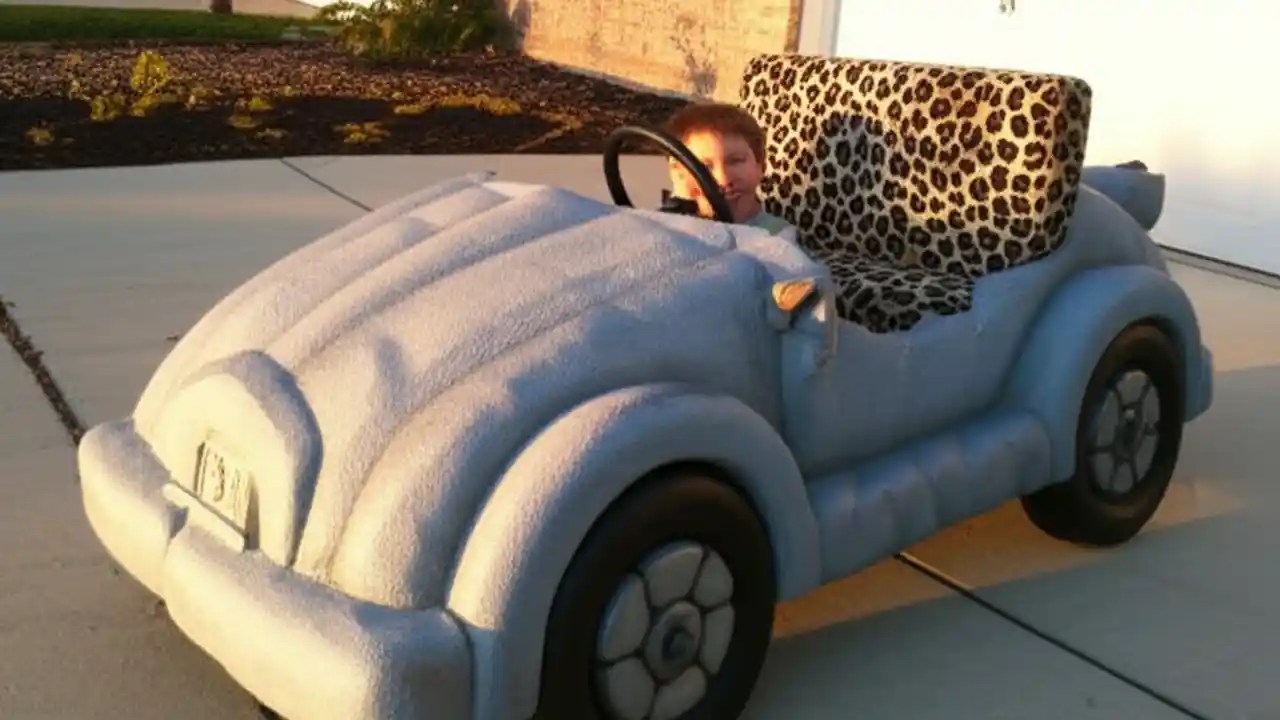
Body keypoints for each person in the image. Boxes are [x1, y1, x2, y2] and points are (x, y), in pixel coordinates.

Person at [661, 102, 795, 237]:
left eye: (736, 161)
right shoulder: (666, 228)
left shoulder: (777, 235)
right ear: (678, 173)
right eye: (704, 167)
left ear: (760, 164)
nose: (723, 180)